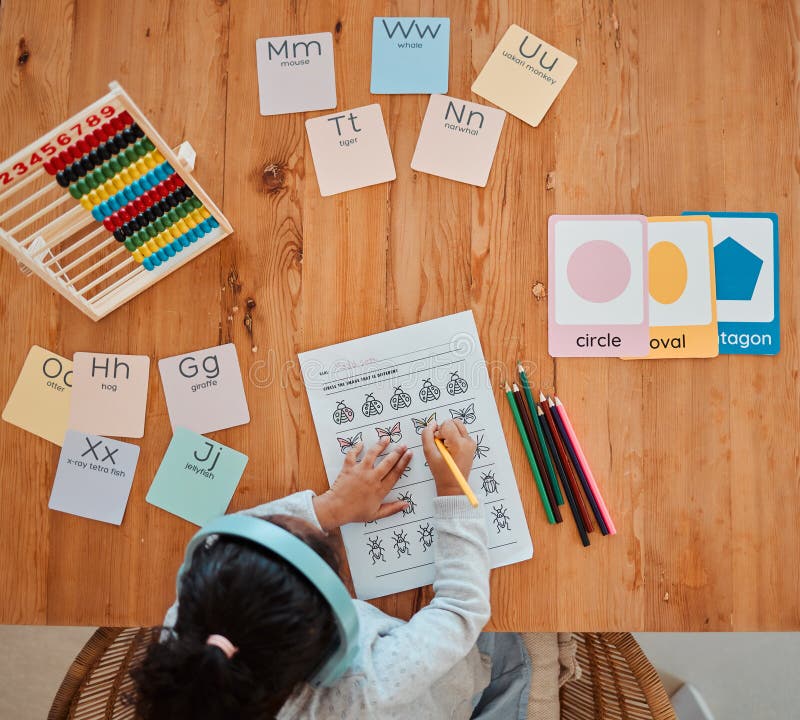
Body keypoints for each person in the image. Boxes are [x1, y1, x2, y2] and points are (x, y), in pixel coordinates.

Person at [131, 419, 531, 719]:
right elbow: (462, 609)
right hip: (432, 694)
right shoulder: (366, 683)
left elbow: (238, 540)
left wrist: (330, 507)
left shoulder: (191, 634)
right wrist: (453, 488)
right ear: (330, 629)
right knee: (507, 651)